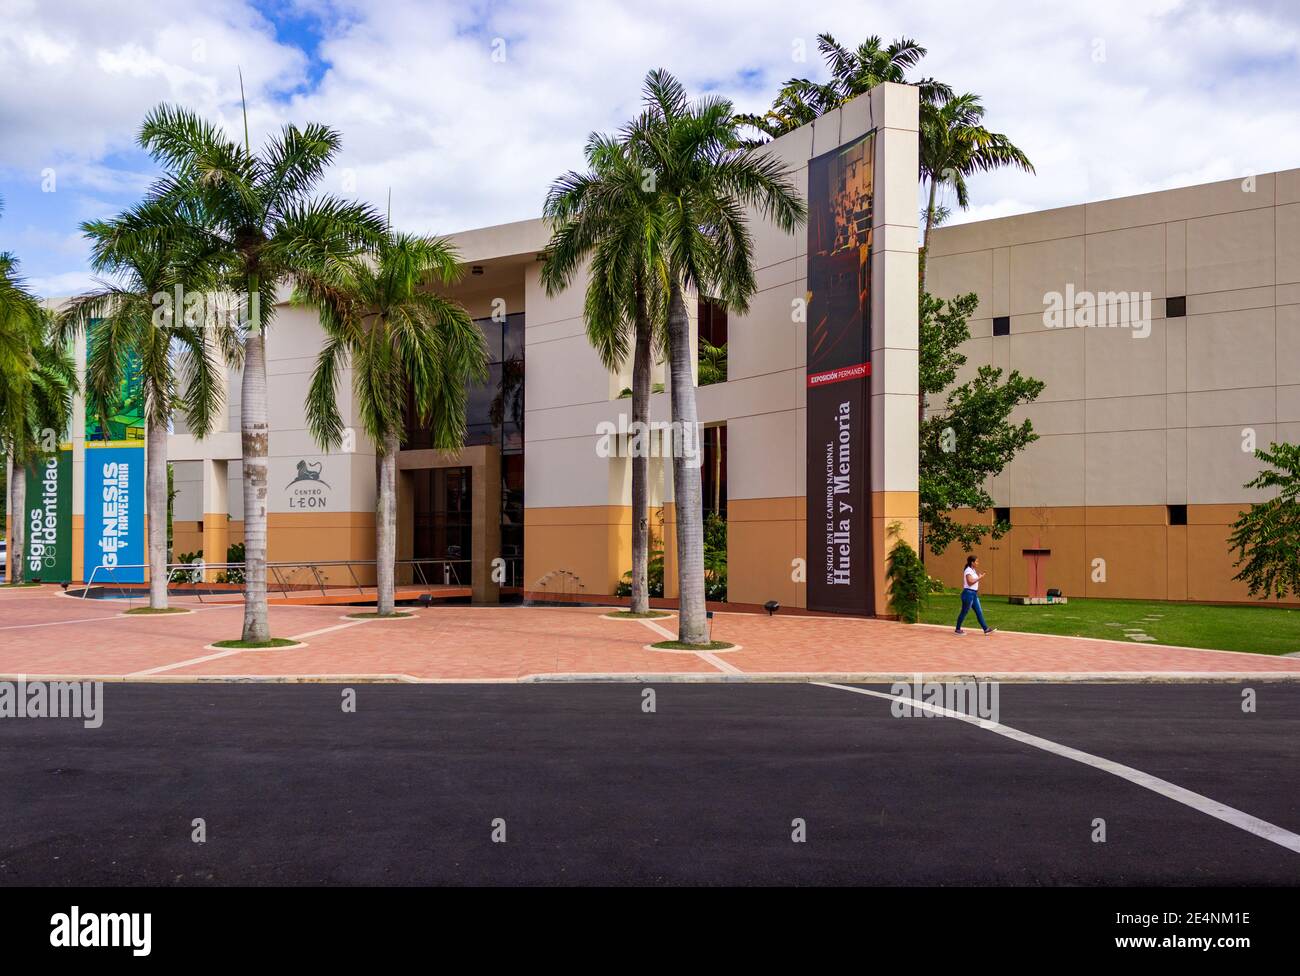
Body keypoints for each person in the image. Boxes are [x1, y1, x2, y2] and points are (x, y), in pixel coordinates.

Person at [955, 555, 995, 635]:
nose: (978, 563)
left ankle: (986, 629)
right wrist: (979, 577)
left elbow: (973, 582)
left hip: (974, 594)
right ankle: (957, 629)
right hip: (968, 594)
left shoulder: (973, 570)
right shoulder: (968, 570)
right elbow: (970, 582)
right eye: (976, 561)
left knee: (979, 612)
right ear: (972, 562)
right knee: (964, 612)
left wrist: (979, 577)